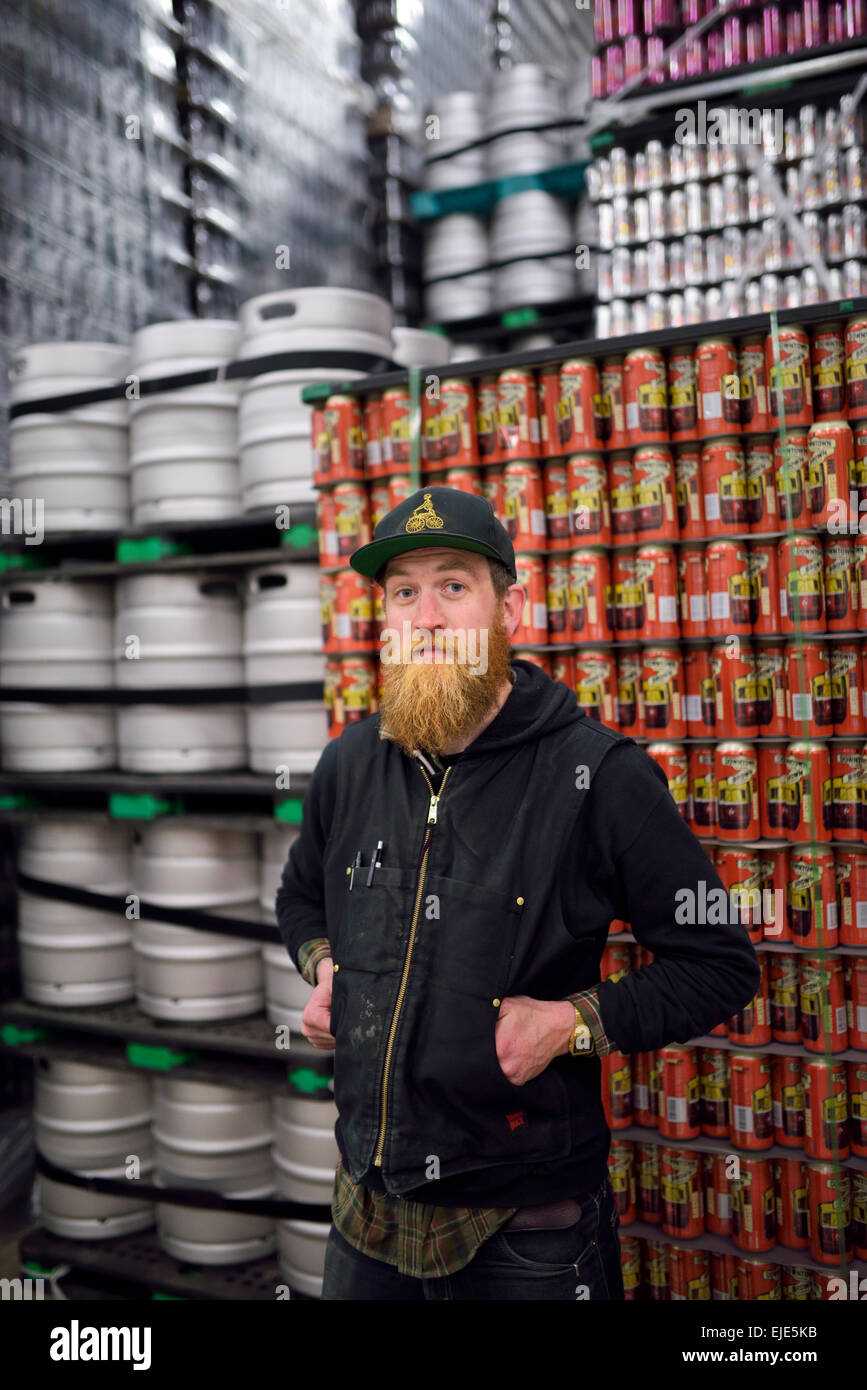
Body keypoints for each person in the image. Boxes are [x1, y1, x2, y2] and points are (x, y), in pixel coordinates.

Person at [275, 485, 761, 1301]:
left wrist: (574, 1023)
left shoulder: (599, 775)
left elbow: (717, 965)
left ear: (510, 606)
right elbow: (300, 900)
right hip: (365, 1210)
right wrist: (322, 965)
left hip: (524, 1235)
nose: (426, 616)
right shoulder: (350, 762)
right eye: (404, 592)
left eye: (453, 586)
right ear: (385, 618)